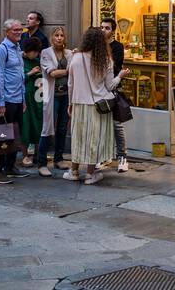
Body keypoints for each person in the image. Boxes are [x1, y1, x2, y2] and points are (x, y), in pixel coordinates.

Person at [65, 26, 124, 185]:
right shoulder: (106, 60)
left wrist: (70, 103)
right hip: (99, 106)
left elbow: (70, 84)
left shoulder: (75, 58)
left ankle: (74, 171)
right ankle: (90, 174)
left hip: (79, 103)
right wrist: (120, 76)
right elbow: (110, 86)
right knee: (94, 140)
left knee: (78, 138)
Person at [0, 18, 30, 184]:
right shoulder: (1, 50)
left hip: (17, 98)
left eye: (20, 30)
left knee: (15, 135)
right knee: (2, 136)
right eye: (15, 30)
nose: (19, 32)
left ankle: (10, 167)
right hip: (5, 99)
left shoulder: (17, 48)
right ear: (7, 32)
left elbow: (20, 76)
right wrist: (0, 102)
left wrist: (23, 98)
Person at [99, 18, 135, 172]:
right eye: (101, 27)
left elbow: (115, 65)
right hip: (99, 89)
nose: (103, 30)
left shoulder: (118, 47)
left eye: (107, 28)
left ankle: (122, 157)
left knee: (116, 124)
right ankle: (104, 156)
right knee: (101, 125)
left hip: (112, 89)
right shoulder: (97, 46)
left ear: (112, 30)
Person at [36, 26, 72, 174]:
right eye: (56, 35)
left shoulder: (69, 53)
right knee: (47, 128)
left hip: (66, 96)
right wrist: (69, 70)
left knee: (63, 127)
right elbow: (52, 73)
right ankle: (42, 163)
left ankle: (58, 159)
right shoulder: (45, 53)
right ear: (52, 37)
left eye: (61, 35)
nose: (59, 38)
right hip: (52, 96)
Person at [20, 39, 44, 167]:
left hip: (37, 96)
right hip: (24, 97)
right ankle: (24, 155)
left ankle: (37, 154)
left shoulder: (37, 60)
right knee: (25, 125)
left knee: (38, 123)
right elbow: (16, 79)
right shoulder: (20, 60)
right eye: (34, 51)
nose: (36, 54)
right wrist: (31, 73)